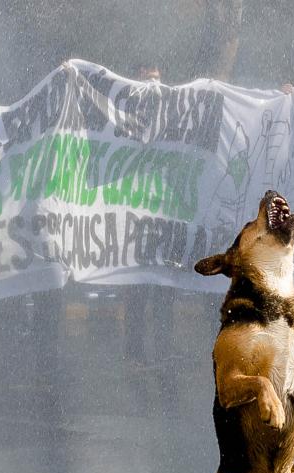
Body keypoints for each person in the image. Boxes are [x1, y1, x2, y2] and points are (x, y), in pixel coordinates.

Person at [122, 63, 177, 369]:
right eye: (147, 80)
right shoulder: (125, 123)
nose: (153, 87)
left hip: (167, 218)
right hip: (136, 221)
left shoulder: (173, 119)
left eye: (157, 79)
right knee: (138, 291)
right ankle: (133, 353)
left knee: (164, 291)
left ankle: (164, 350)